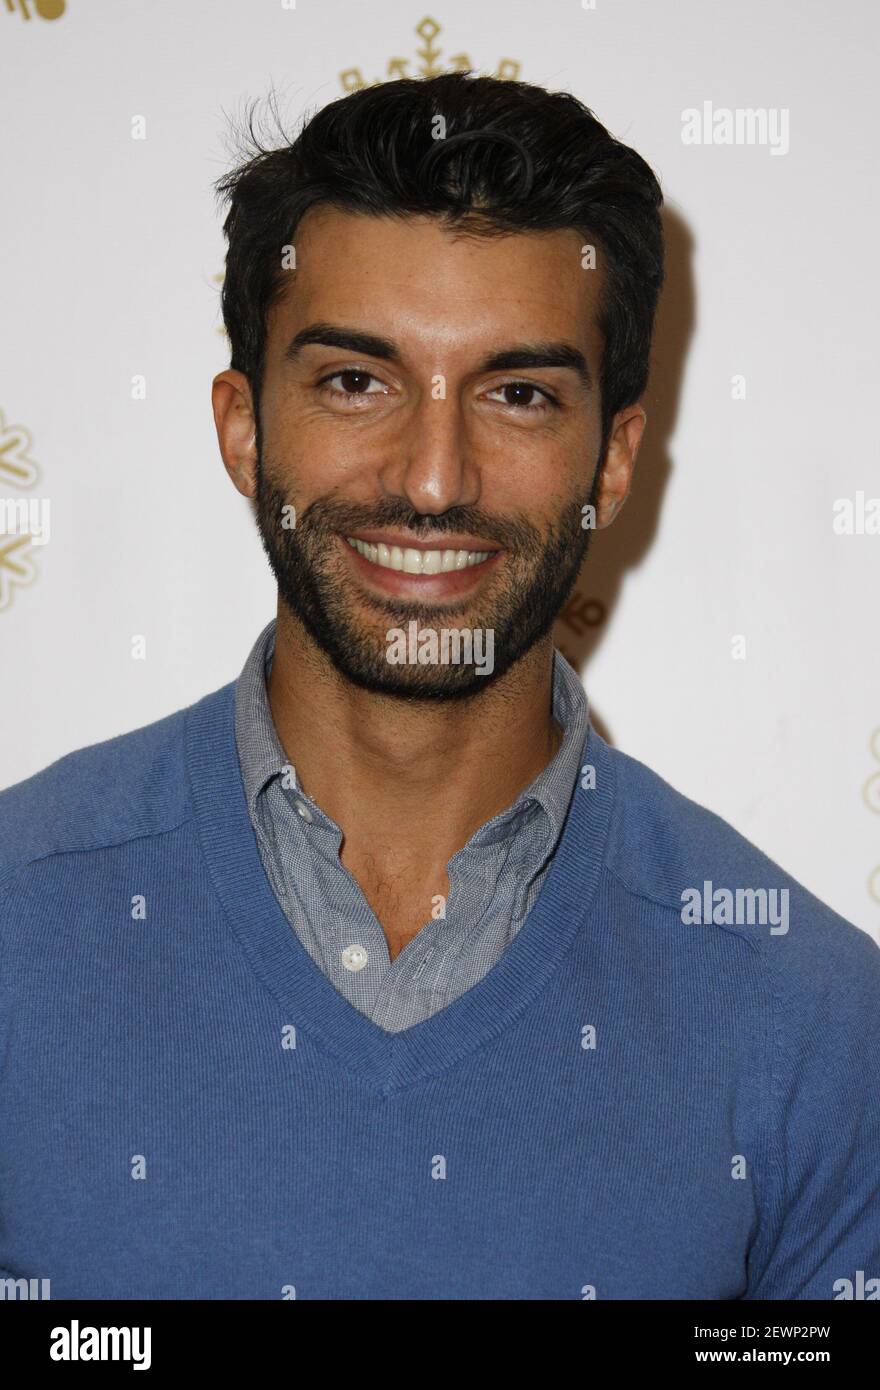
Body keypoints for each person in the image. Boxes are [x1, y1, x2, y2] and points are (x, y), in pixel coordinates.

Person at [1, 73, 877, 1301]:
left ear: (613, 458)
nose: (430, 478)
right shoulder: (16, 919)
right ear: (244, 426)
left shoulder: (815, 1023)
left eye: (516, 394)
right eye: (357, 380)